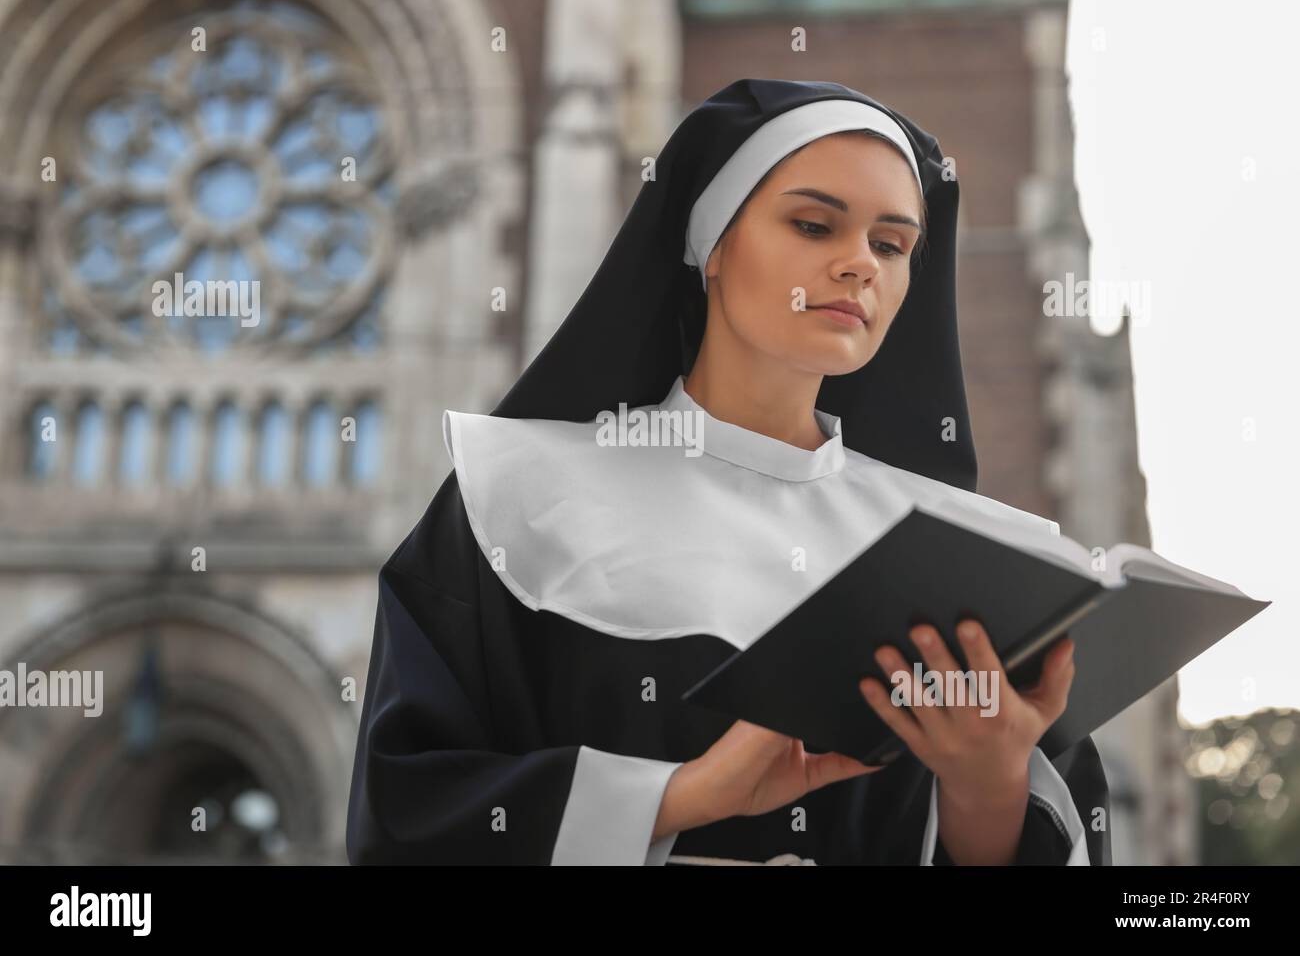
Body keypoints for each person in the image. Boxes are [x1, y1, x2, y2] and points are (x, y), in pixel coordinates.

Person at [345, 78, 1112, 866]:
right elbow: (403, 812)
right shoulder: (514, 494)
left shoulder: (969, 559)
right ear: (710, 244)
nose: (859, 265)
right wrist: (687, 795)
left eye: (891, 244)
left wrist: (987, 789)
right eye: (814, 225)